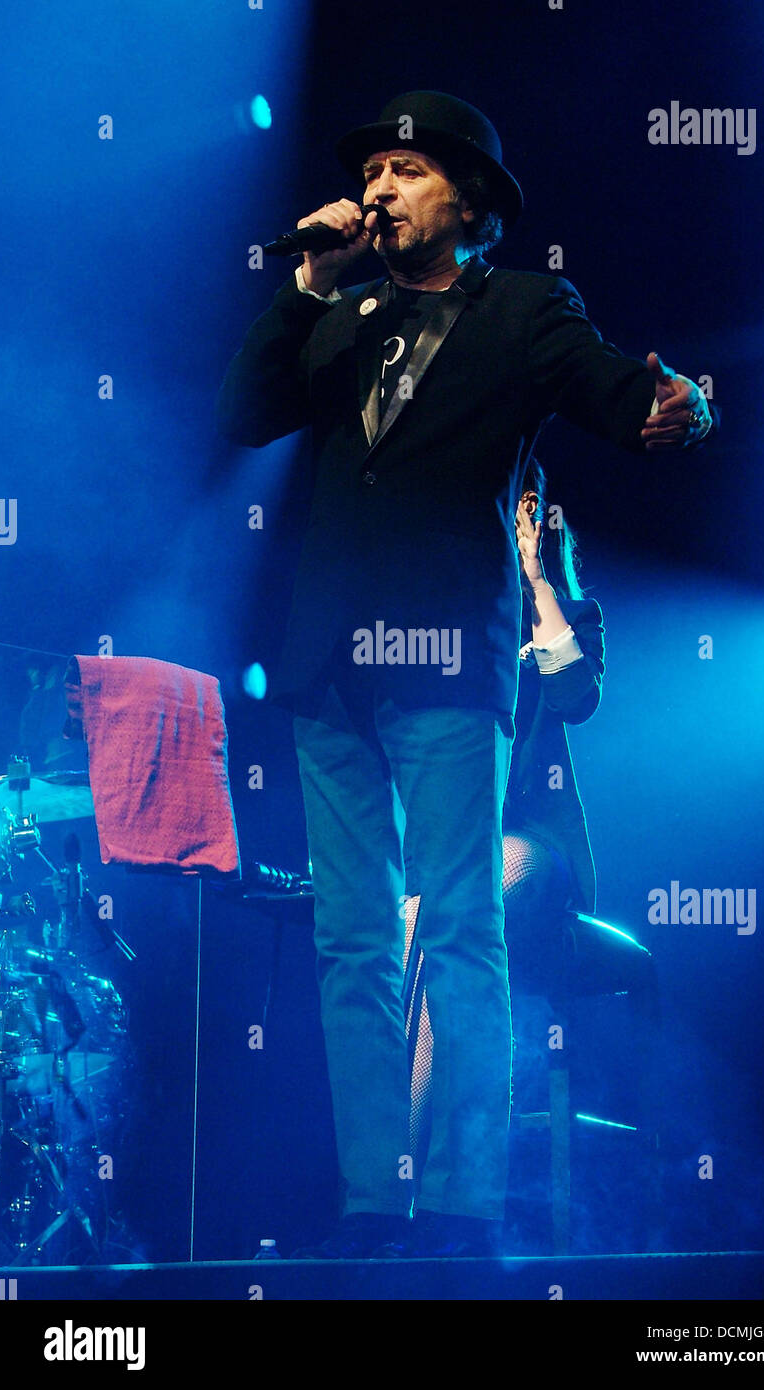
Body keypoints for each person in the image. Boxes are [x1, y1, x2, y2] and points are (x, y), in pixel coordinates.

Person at [216, 90, 717, 1259]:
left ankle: (454, 1206)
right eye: (371, 171)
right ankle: (369, 1197)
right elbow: (244, 414)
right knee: (350, 935)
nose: (379, 190)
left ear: (472, 203)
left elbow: (615, 394)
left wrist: (671, 408)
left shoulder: (527, 307)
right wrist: (304, 287)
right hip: (325, 659)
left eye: (405, 170)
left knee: (455, 926)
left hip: (447, 655)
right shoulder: (341, 320)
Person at [403, 463, 604, 1183]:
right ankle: (409, 1201)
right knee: (423, 955)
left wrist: (534, 574)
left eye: (526, 504)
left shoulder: (568, 616)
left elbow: (576, 695)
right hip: (448, 852)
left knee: (465, 897)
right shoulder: (445, 613)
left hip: (536, 848)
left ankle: (413, 1191)